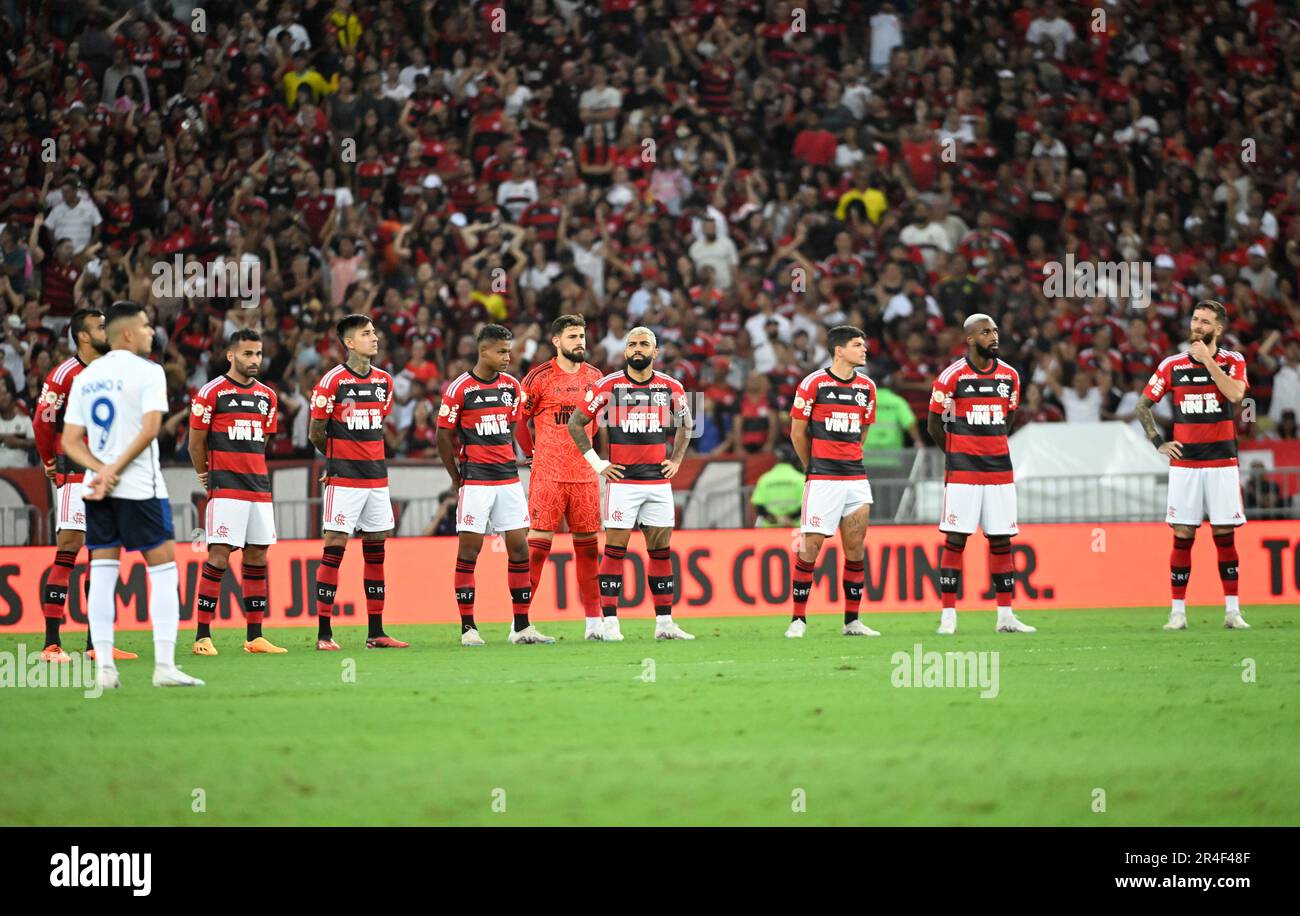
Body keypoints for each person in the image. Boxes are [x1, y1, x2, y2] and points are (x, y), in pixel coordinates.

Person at [59, 301, 203, 689]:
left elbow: (70, 440)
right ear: (126, 333)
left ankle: (105, 669)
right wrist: (116, 470)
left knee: (103, 574)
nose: (149, 331)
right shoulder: (149, 371)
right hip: (138, 487)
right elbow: (150, 429)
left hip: (98, 489)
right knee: (163, 570)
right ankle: (165, 667)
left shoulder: (87, 377)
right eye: (143, 326)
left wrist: (100, 469)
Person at [568, 326, 695, 641]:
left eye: (644, 344)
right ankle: (610, 625)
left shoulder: (671, 386)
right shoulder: (608, 386)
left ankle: (665, 624)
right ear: (625, 352)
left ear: (656, 351)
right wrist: (599, 463)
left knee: (661, 552)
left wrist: (677, 460)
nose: (637, 349)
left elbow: (687, 424)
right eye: (632, 344)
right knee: (614, 551)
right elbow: (575, 423)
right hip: (622, 482)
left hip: (657, 482)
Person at [1136, 300, 1251, 631]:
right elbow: (1143, 405)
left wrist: (1208, 363)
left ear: (1218, 329)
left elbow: (1235, 396)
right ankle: (1177, 612)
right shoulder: (1172, 365)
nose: (1197, 326)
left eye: (1205, 322)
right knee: (1183, 535)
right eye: (1195, 320)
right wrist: (1158, 442)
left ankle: (1232, 611)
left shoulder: (1233, 361)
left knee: (1224, 535)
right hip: (1185, 465)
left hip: (1222, 461)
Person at [437, 324, 552, 645]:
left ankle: (521, 626)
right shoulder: (459, 388)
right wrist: (456, 478)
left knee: (519, 549)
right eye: (501, 351)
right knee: (470, 552)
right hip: (476, 482)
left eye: (508, 350)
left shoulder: (513, 387)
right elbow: (443, 437)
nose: (507, 357)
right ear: (483, 351)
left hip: (509, 481)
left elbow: (513, 427)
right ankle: (468, 629)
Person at [31, 308, 135, 661]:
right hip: (75, 471)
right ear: (85, 336)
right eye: (101, 327)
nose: (108, 331)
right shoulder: (65, 373)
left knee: (103, 556)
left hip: (108, 474)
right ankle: (51, 644)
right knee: (69, 549)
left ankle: (95, 644)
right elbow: (43, 420)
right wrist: (49, 461)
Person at [927, 314, 1035, 635]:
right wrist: (957, 453)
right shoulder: (952, 376)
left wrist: (991, 445)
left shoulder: (1010, 377)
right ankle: (948, 616)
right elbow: (934, 424)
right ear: (971, 339)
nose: (993, 336)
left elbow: (1008, 418)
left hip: (1000, 471)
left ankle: (1005, 616)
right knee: (956, 539)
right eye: (986, 332)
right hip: (963, 472)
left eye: (995, 330)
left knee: (1001, 540)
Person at [308, 314, 408, 650]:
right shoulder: (332, 381)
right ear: (349, 342)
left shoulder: (384, 382)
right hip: (345, 480)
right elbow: (316, 432)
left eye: (375, 332)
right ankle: (324, 633)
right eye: (366, 334)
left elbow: (377, 425)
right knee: (334, 548)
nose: (374, 338)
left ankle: (376, 633)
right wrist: (336, 461)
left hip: (377, 480)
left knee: (376, 552)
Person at [188, 329, 286, 656]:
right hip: (226, 488)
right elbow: (195, 441)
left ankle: (254, 636)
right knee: (218, 557)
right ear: (231, 355)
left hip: (258, 488)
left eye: (258, 354)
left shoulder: (267, 397)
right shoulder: (211, 392)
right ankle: (202, 636)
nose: (254, 360)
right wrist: (206, 474)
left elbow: (264, 440)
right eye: (247, 354)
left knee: (257, 556)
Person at [786, 325, 880, 639]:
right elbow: (797, 433)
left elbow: (863, 432)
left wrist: (848, 457)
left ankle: (852, 621)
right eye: (857, 344)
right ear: (839, 350)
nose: (863, 349)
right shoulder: (814, 383)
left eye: (863, 344)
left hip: (855, 478)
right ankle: (798, 620)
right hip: (823, 478)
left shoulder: (867, 387)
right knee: (810, 548)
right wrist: (812, 466)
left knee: (855, 549)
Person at [516, 314, 606, 639]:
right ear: (556, 341)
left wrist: (600, 462)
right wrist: (531, 455)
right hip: (549, 476)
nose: (579, 342)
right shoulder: (538, 377)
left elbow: (598, 426)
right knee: (537, 550)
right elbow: (519, 423)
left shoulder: (596, 377)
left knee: (588, 550)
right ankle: (521, 624)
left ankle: (595, 625)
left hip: (585, 475)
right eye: (572, 337)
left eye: (582, 336)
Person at [751, 444, 805, 528]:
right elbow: (807, 505)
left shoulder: (765, 479)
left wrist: (776, 519)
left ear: (776, 459)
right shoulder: (801, 479)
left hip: (769, 528)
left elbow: (758, 506)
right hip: (795, 528)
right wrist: (789, 519)